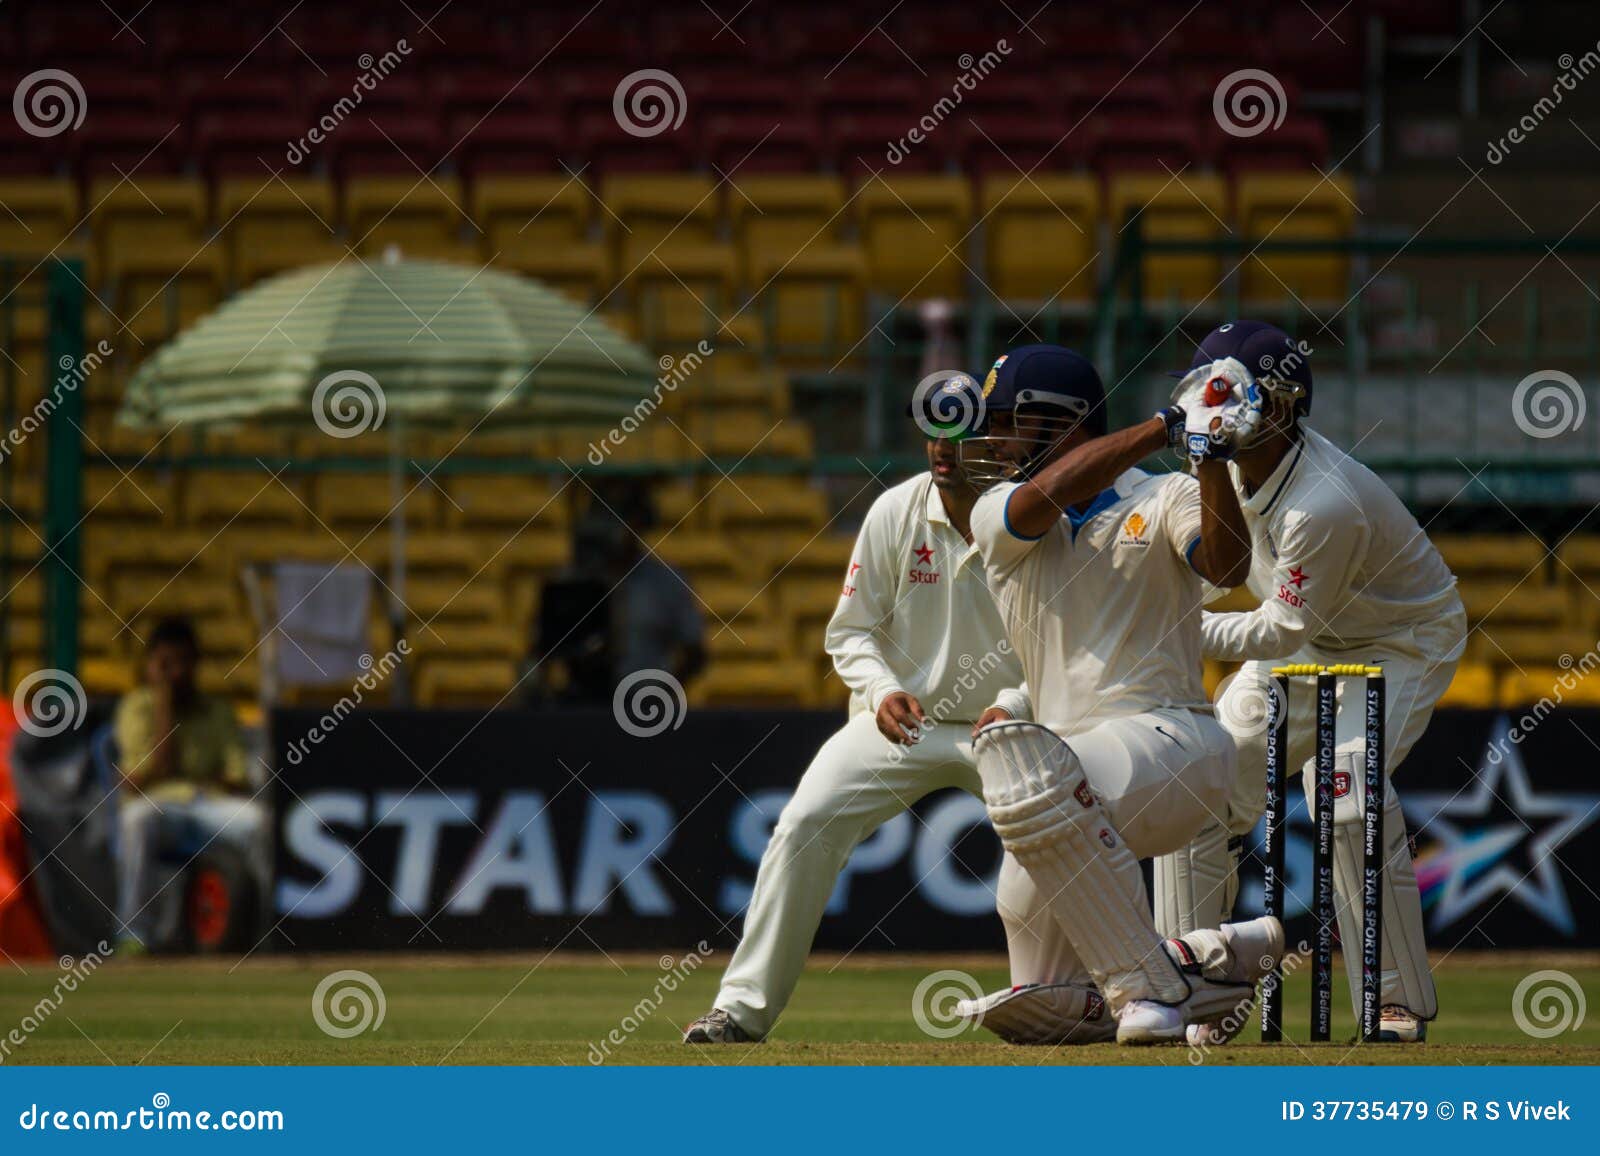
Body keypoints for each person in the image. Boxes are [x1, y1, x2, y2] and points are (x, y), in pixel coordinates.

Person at [685, 375, 1114, 1046]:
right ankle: (740, 1011)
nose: (943, 449)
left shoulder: (1035, 523)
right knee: (804, 822)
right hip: (900, 727)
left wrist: (1012, 703)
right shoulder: (895, 511)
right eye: (934, 433)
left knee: (1062, 834)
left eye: (962, 433)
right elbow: (850, 631)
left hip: (1004, 731)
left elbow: (1059, 642)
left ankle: (1115, 995)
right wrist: (883, 690)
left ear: (996, 440)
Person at [957, 342, 1283, 1044]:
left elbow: (1225, 563)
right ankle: (1213, 961)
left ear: (1063, 422)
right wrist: (1168, 423)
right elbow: (1047, 496)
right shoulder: (995, 511)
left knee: (1031, 781)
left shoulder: (1162, 496)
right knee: (1046, 1004)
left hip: (1177, 746)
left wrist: (1208, 459)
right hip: (1069, 785)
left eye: (1010, 421)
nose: (994, 440)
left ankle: (1146, 986)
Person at [1152, 321, 1466, 1044]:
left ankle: (1396, 1002)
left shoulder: (1323, 502)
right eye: (1206, 391)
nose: (1214, 409)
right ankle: (1194, 988)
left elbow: (1276, 630)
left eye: (1230, 393)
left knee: (1344, 782)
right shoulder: (1218, 473)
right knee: (1195, 775)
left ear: (1284, 406)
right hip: (1311, 636)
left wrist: (1172, 632)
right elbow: (1210, 584)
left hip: (1402, 640)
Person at [112, 616, 265, 950]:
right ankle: (133, 934)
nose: (176, 673)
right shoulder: (138, 707)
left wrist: (193, 779)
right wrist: (165, 705)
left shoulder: (218, 711)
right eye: (166, 664)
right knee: (135, 820)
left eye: (183, 662)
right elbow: (138, 781)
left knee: (260, 822)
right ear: (150, 666)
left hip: (206, 806)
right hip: (158, 809)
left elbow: (238, 780)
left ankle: (261, 928)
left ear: (196, 664)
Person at [523, 483, 706, 703]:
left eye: (622, 516)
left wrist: (659, 696)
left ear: (639, 522)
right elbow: (539, 653)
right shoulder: (569, 581)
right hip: (581, 708)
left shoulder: (667, 582)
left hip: (642, 705)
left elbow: (694, 653)